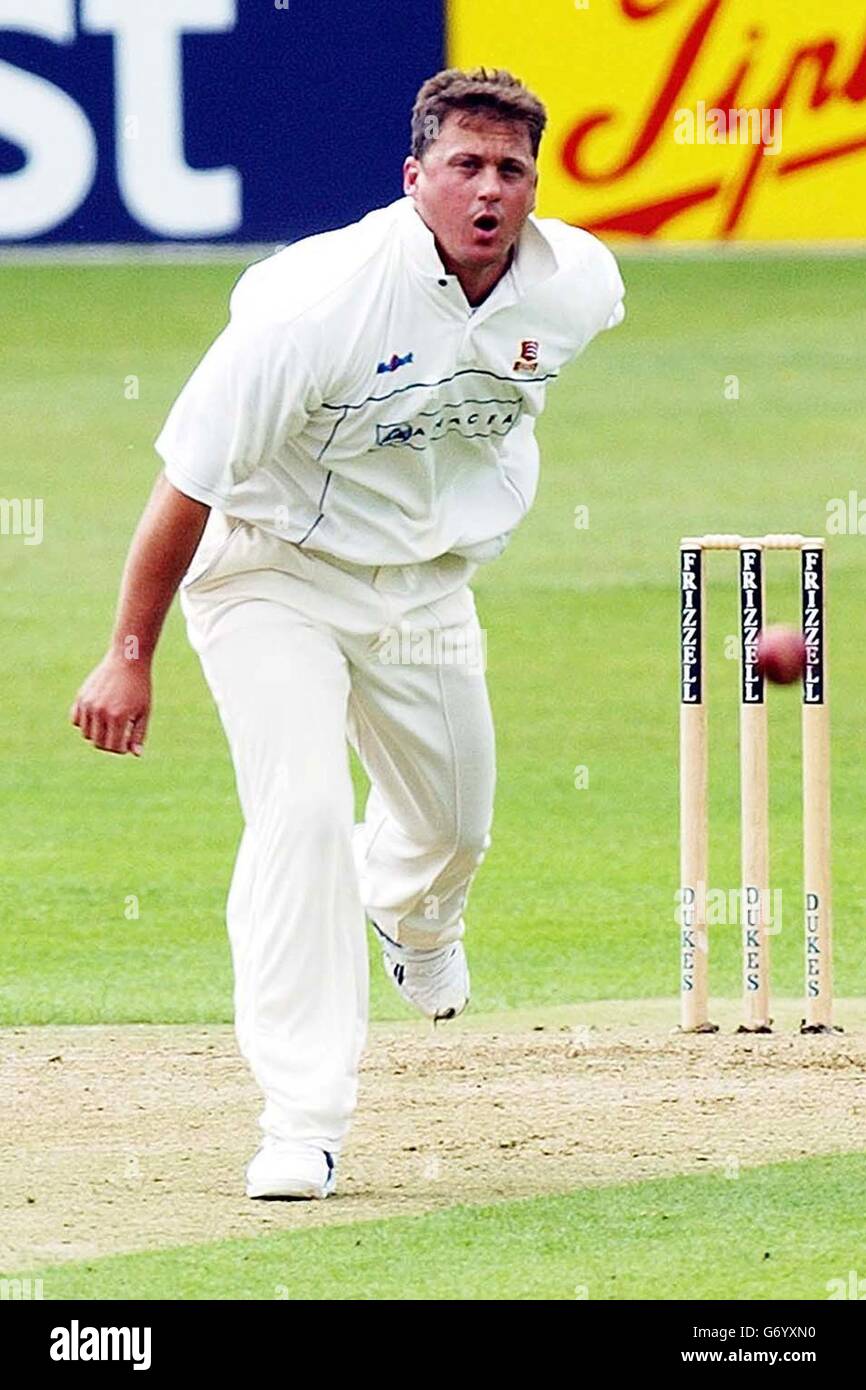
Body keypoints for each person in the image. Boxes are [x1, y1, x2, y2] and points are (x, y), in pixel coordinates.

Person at [70, 67, 625, 1201]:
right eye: (462, 165)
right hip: (270, 571)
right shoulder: (313, 303)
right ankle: (300, 1119)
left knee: (453, 827)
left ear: (534, 185)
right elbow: (185, 485)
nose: (487, 189)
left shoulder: (577, 287)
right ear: (412, 176)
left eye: (509, 169)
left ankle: (415, 918)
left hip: (425, 591)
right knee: (304, 814)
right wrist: (129, 654)